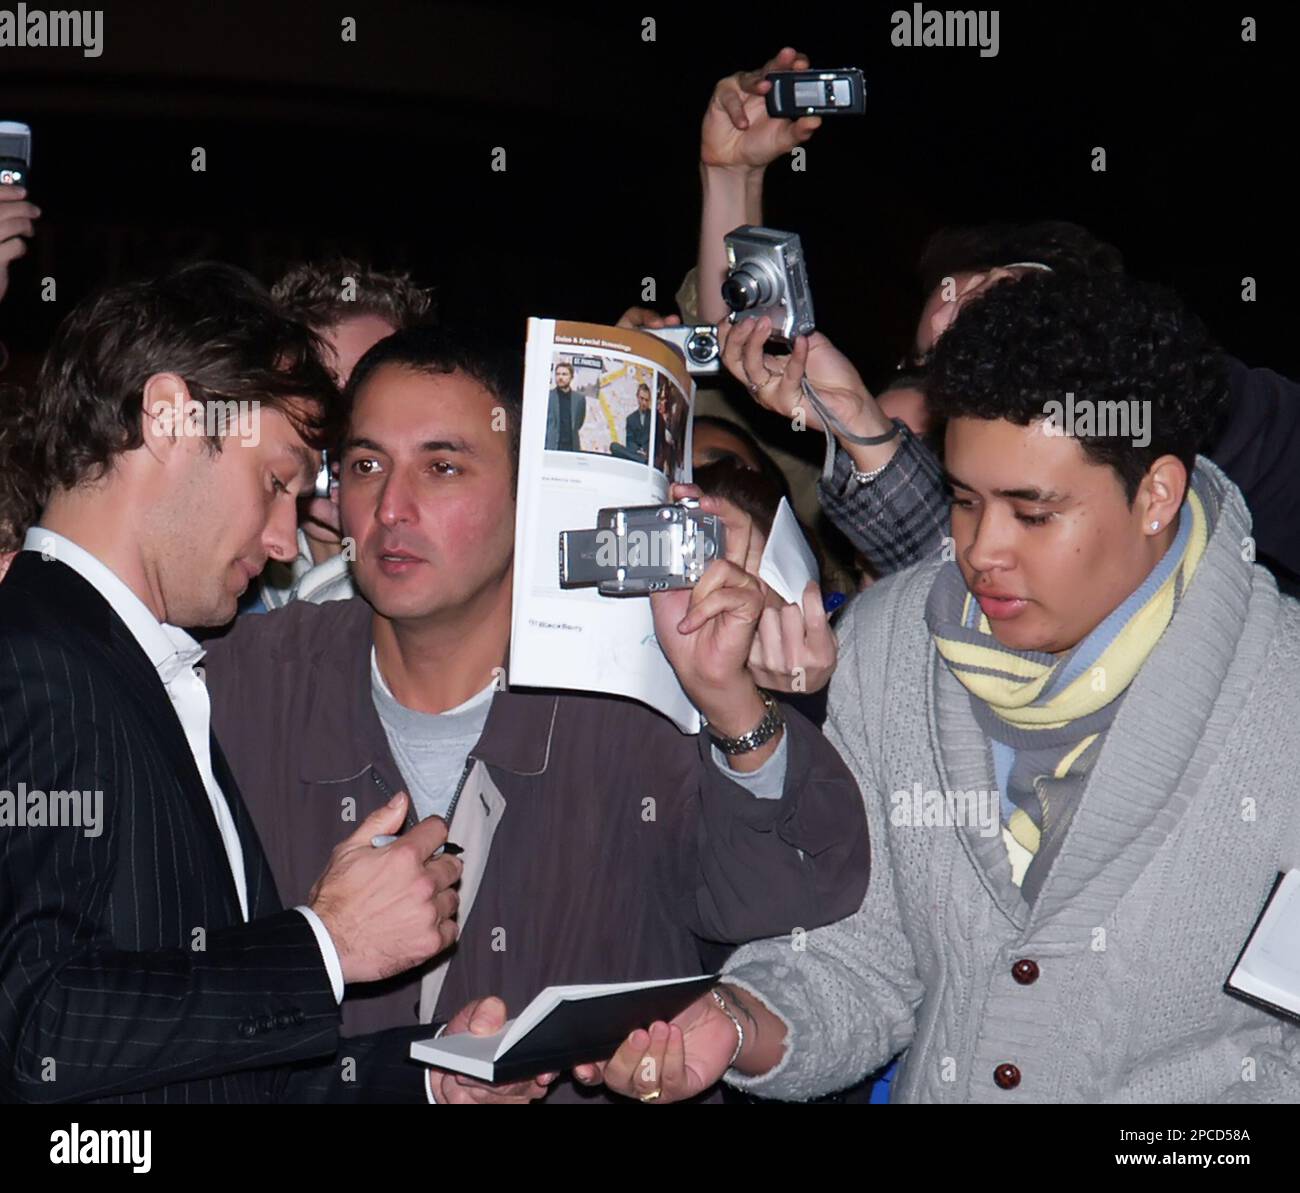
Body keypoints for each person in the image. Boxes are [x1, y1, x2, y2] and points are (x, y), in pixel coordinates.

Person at [584, 269, 1300, 1104]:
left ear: (1156, 495)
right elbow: (858, 958)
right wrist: (740, 1022)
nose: (981, 549)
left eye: (1033, 513)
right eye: (963, 499)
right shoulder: (891, 645)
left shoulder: (1278, 696)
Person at [203, 325, 870, 1104]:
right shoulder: (244, 683)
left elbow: (800, 901)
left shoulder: (639, 687)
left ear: (533, 498)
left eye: (443, 466)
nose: (391, 507)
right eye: (366, 464)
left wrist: (730, 706)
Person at [0, 263, 462, 1103]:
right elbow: (36, 1032)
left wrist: (435, 1077)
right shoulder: (35, 659)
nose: (287, 539)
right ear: (172, 417)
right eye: (277, 481)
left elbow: (209, 1074)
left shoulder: (138, 670)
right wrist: (326, 941)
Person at [239, 258, 434, 611]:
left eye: (369, 390)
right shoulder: (221, 584)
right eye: (321, 393)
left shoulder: (453, 585)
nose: (345, 425)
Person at [544, 360, 585, 451]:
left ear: (571, 377)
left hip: (572, 447)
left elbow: (579, 423)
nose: (560, 377)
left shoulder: (579, 399)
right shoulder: (548, 396)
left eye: (564, 374)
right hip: (552, 447)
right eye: (557, 374)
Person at [614, 382, 653, 461]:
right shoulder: (630, 419)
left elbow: (657, 442)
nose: (644, 403)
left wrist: (646, 452)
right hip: (635, 454)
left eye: (646, 400)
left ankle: (641, 459)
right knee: (613, 446)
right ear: (637, 397)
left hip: (649, 457)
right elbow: (630, 441)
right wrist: (638, 451)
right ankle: (640, 458)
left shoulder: (654, 417)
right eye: (642, 399)